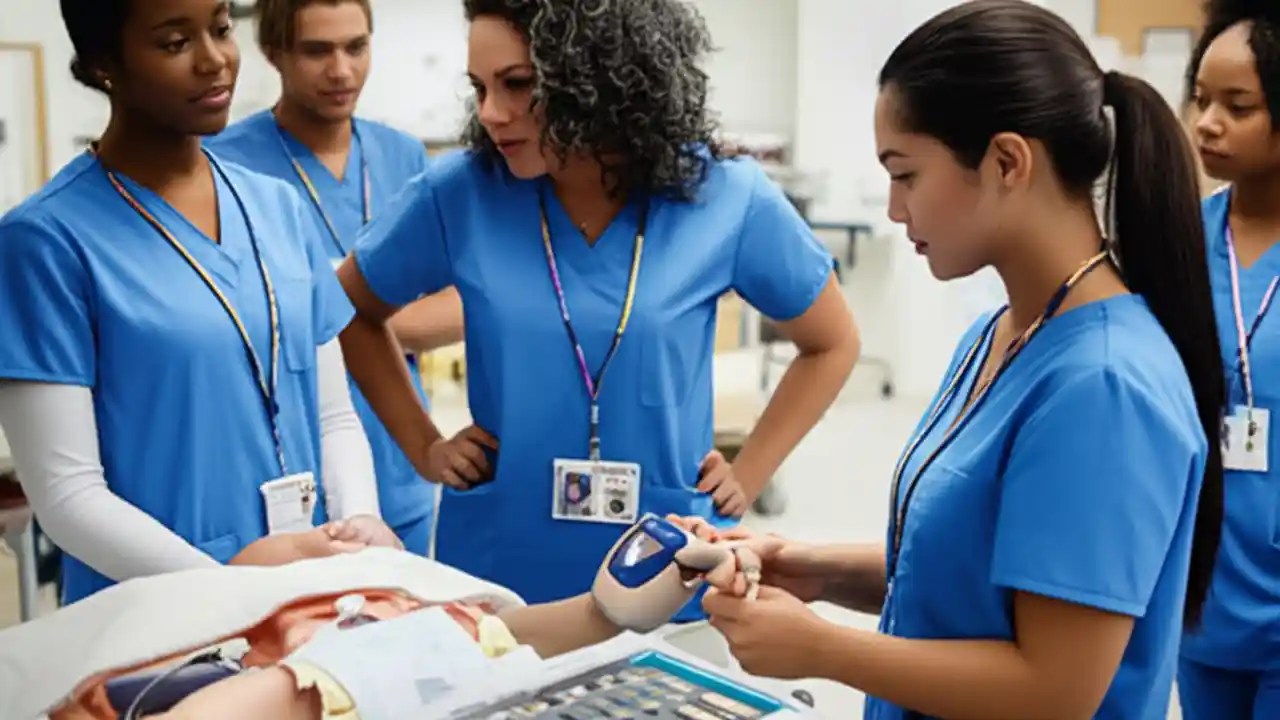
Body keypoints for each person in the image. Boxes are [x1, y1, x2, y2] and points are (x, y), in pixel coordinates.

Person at [684, 2, 1228, 718]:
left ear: (1006, 162)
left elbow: (1054, 689)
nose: (893, 208)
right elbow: (980, 577)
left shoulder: (1104, 386)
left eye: (905, 175)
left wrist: (823, 649)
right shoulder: (1000, 335)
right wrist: (809, 567)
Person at [335, 0, 861, 611]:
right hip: (501, 566)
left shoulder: (724, 197)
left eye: (518, 85)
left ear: (599, 76)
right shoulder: (462, 193)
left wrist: (749, 473)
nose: (490, 113)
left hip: (666, 566)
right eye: (479, 88)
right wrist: (424, 446)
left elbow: (832, 342)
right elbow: (351, 308)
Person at [0, 0, 400, 606]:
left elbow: (333, 415)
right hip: (151, 617)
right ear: (105, 62)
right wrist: (231, 587)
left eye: (219, 29)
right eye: (173, 43)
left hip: (308, 595)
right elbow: (67, 496)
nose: (215, 61)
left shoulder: (277, 207)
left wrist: (361, 524)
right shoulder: (46, 242)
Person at [207, 0, 465, 556]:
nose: (341, 71)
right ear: (272, 52)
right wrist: (366, 314)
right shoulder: (222, 163)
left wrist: (345, 319)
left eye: (356, 47)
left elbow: (466, 301)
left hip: (401, 454)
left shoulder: (401, 154)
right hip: (290, 470)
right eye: (317, 51)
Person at [1182, 1, 1280, 716]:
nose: (1207, 122)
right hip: (1204, 594)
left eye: (1236, 106)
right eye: (1201, 98)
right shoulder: (1179, 242)